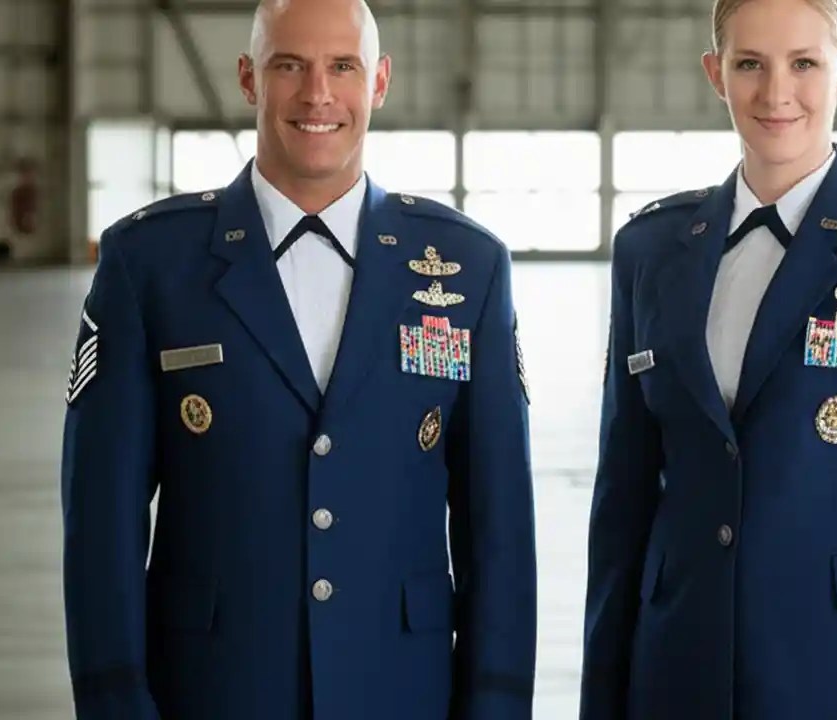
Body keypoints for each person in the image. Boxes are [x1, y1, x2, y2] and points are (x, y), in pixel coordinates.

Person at [59, 0, 537, 718]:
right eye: (290, 66)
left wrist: (495, 705)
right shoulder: (151, 264)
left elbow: (499, 530)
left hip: (401, 692)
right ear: (250, 79)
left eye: (341, 67)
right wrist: (115, 701)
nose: (318, 95)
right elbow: (102, 522)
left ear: (378, 82)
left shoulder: (466, 268)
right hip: (214, 693)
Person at [579, 0, 837, 717]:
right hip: (673, 673)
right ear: (716, 73)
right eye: (750, 63)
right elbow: (622, 502)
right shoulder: (652, 249)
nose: (776, 93)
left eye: (804, 63)